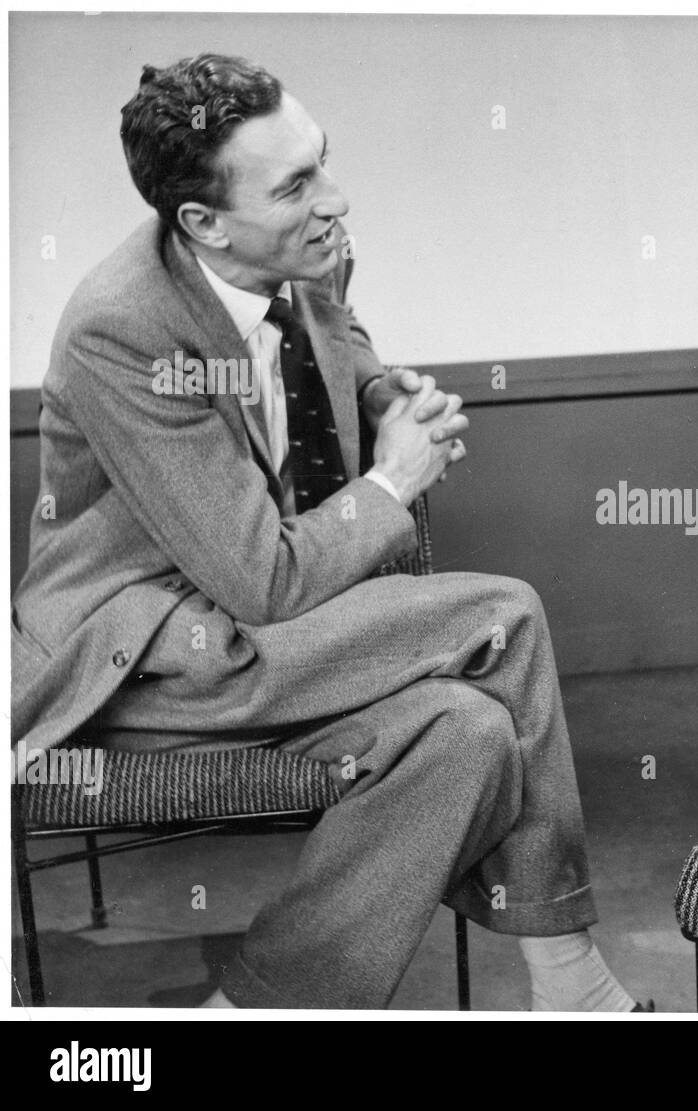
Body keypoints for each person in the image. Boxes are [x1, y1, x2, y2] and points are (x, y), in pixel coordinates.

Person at [11, 53, 642, 1012]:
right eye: (295, 185)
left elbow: (336, 335)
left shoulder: (301, 255)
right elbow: (262, 579)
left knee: (469, 732)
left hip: (269, 641)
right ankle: (571, 983)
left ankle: (253, 1008)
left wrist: (384, 395)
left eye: (324, 162)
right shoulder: (123, 331)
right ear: (204, 223)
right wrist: (394, 480)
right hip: (145, 661)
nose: (335, 201)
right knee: (505, 614)